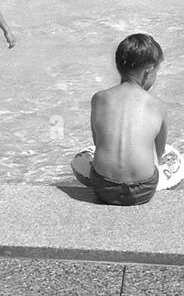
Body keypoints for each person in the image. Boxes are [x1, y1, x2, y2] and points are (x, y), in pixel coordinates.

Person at [71, 34, 169, 207]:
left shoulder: (99, 98)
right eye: (157, 70)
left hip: (104, 188)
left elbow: (98, 142)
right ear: (149, 69)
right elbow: (158, 154)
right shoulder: (158, 106)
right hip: (143, 190)